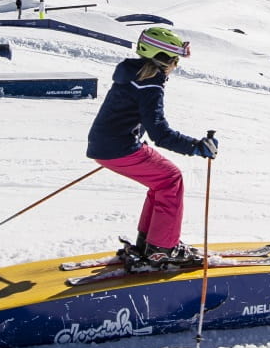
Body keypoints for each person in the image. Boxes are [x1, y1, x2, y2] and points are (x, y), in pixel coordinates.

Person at [85, 27, 217, 271]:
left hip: (107, 145)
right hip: (119, 147)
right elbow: (160, 133)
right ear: (164, 59)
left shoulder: (131, 74)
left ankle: (150, 244)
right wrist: (196, 147)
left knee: (160, 182)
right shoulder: (150, 84)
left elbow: (126, 115)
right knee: (171, 178)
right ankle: (161, 250)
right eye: (175, 59)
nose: (176, 65)